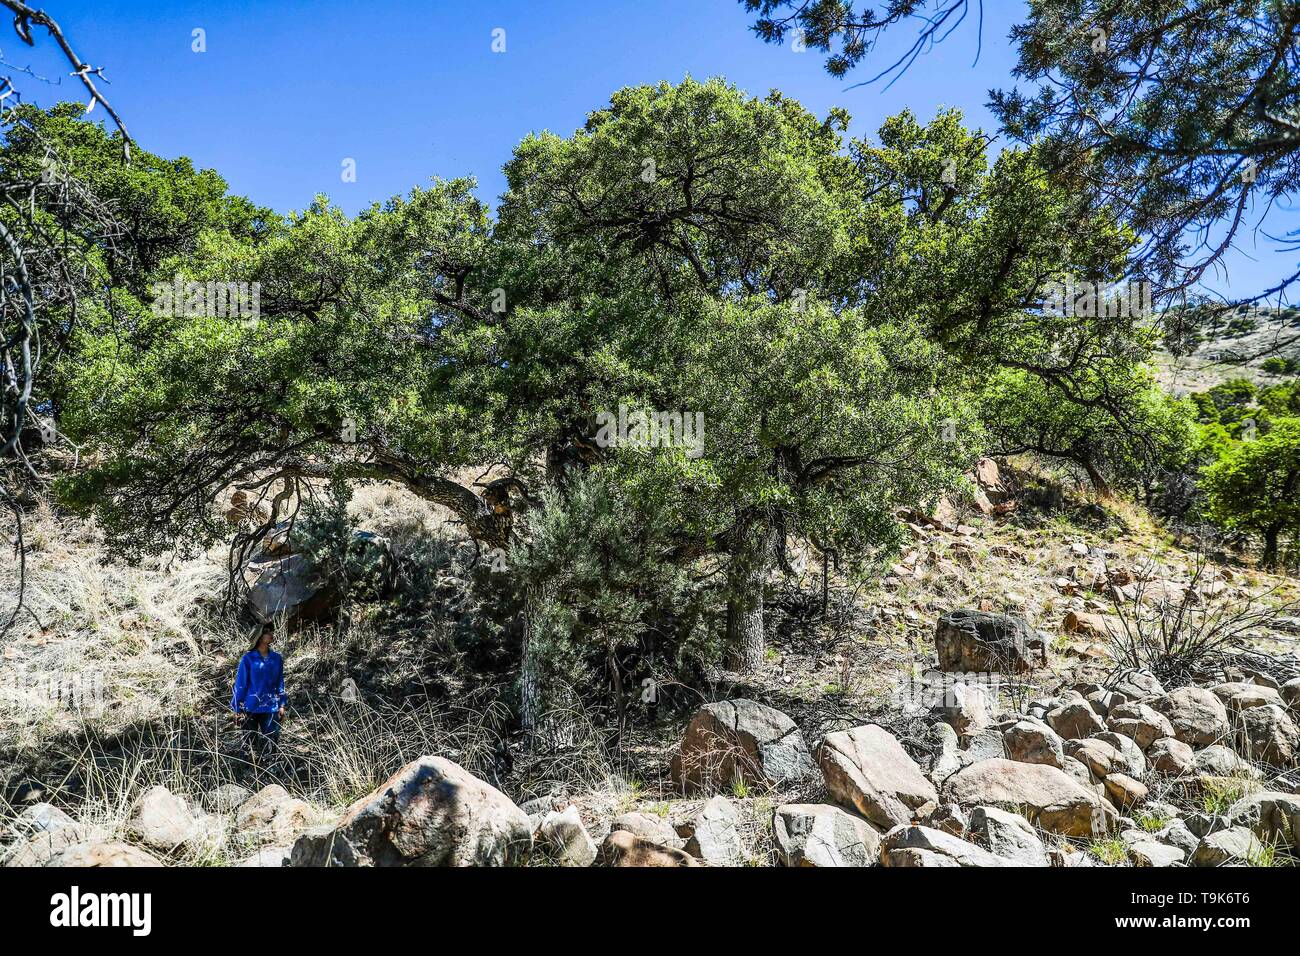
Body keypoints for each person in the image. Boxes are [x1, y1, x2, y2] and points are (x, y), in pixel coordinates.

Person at [230, 624, 286, 770]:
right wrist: (237, 708)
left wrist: (281, 704)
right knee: (249, 743)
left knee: (271, 742)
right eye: (267, 632)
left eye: (271, 631)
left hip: (271, 707)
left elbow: (280, 682)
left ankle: (271, 771)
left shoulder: (276, 658)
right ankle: (249, 774)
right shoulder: (248, 659)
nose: (271, 634)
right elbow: (241, 684)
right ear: (259, 637)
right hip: (250, 707)